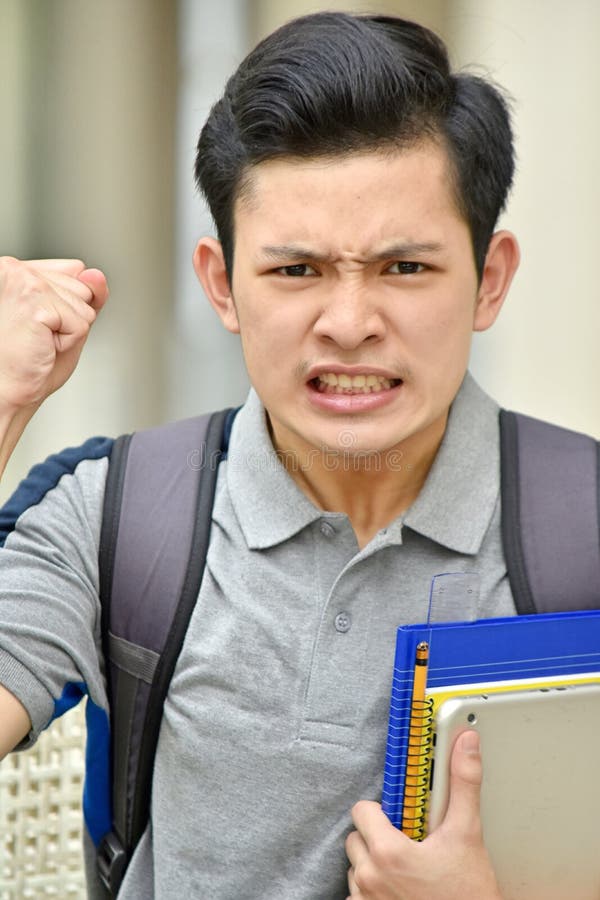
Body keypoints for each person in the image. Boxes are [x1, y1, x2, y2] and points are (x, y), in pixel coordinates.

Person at [1, 10, 534, 899]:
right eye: (296, 271)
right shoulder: (114, 513)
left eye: (404, 269)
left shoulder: (582, 523)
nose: (350, 323)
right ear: (221, 283)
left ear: (489, 279)